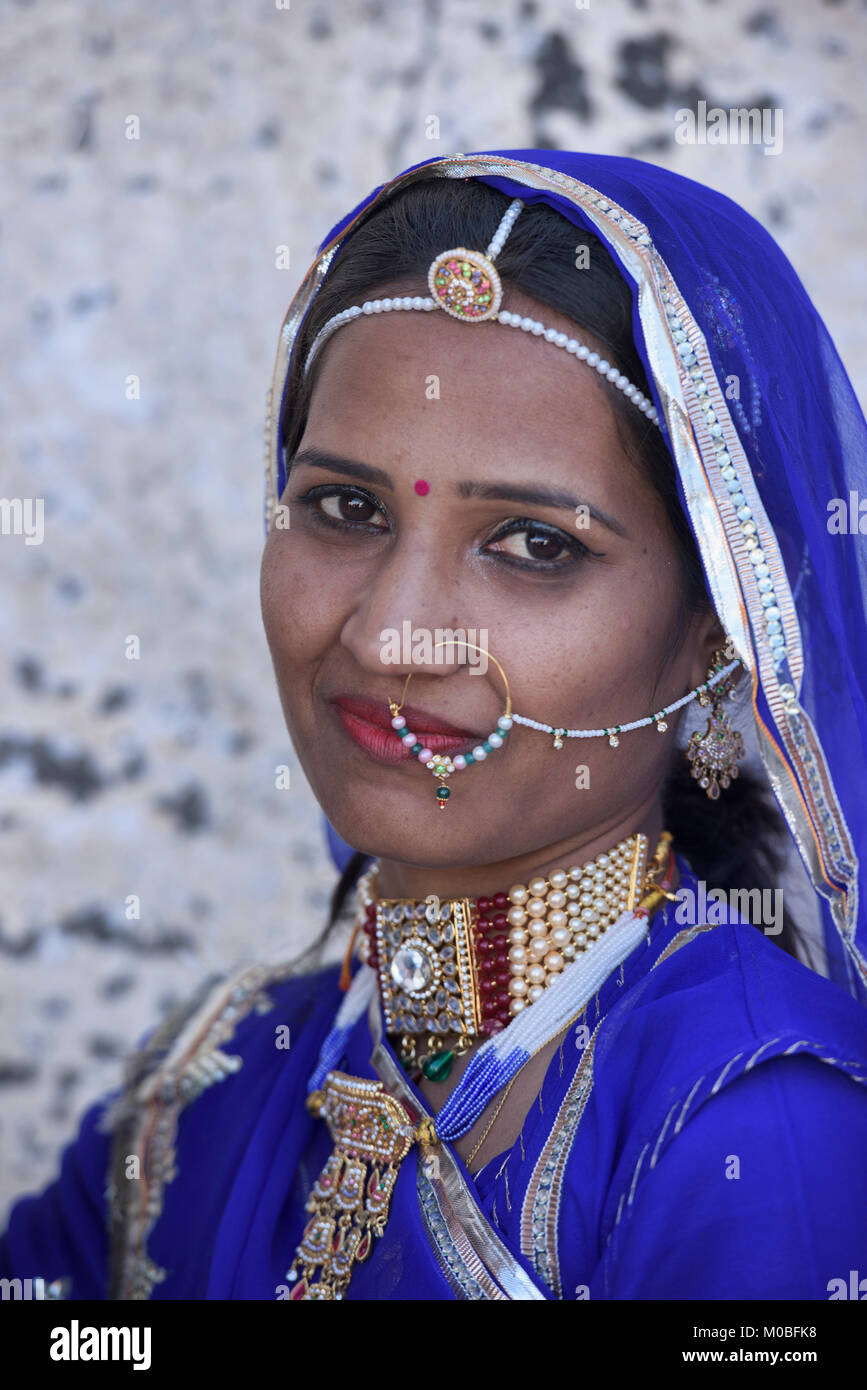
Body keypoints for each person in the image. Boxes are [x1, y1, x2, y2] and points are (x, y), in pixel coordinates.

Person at [3, 149, 867, 1301]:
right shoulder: (206, 1089)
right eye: (345, 507)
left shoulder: (760, 1127)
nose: (389, 635)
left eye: (534, 544)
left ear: (719, 630)